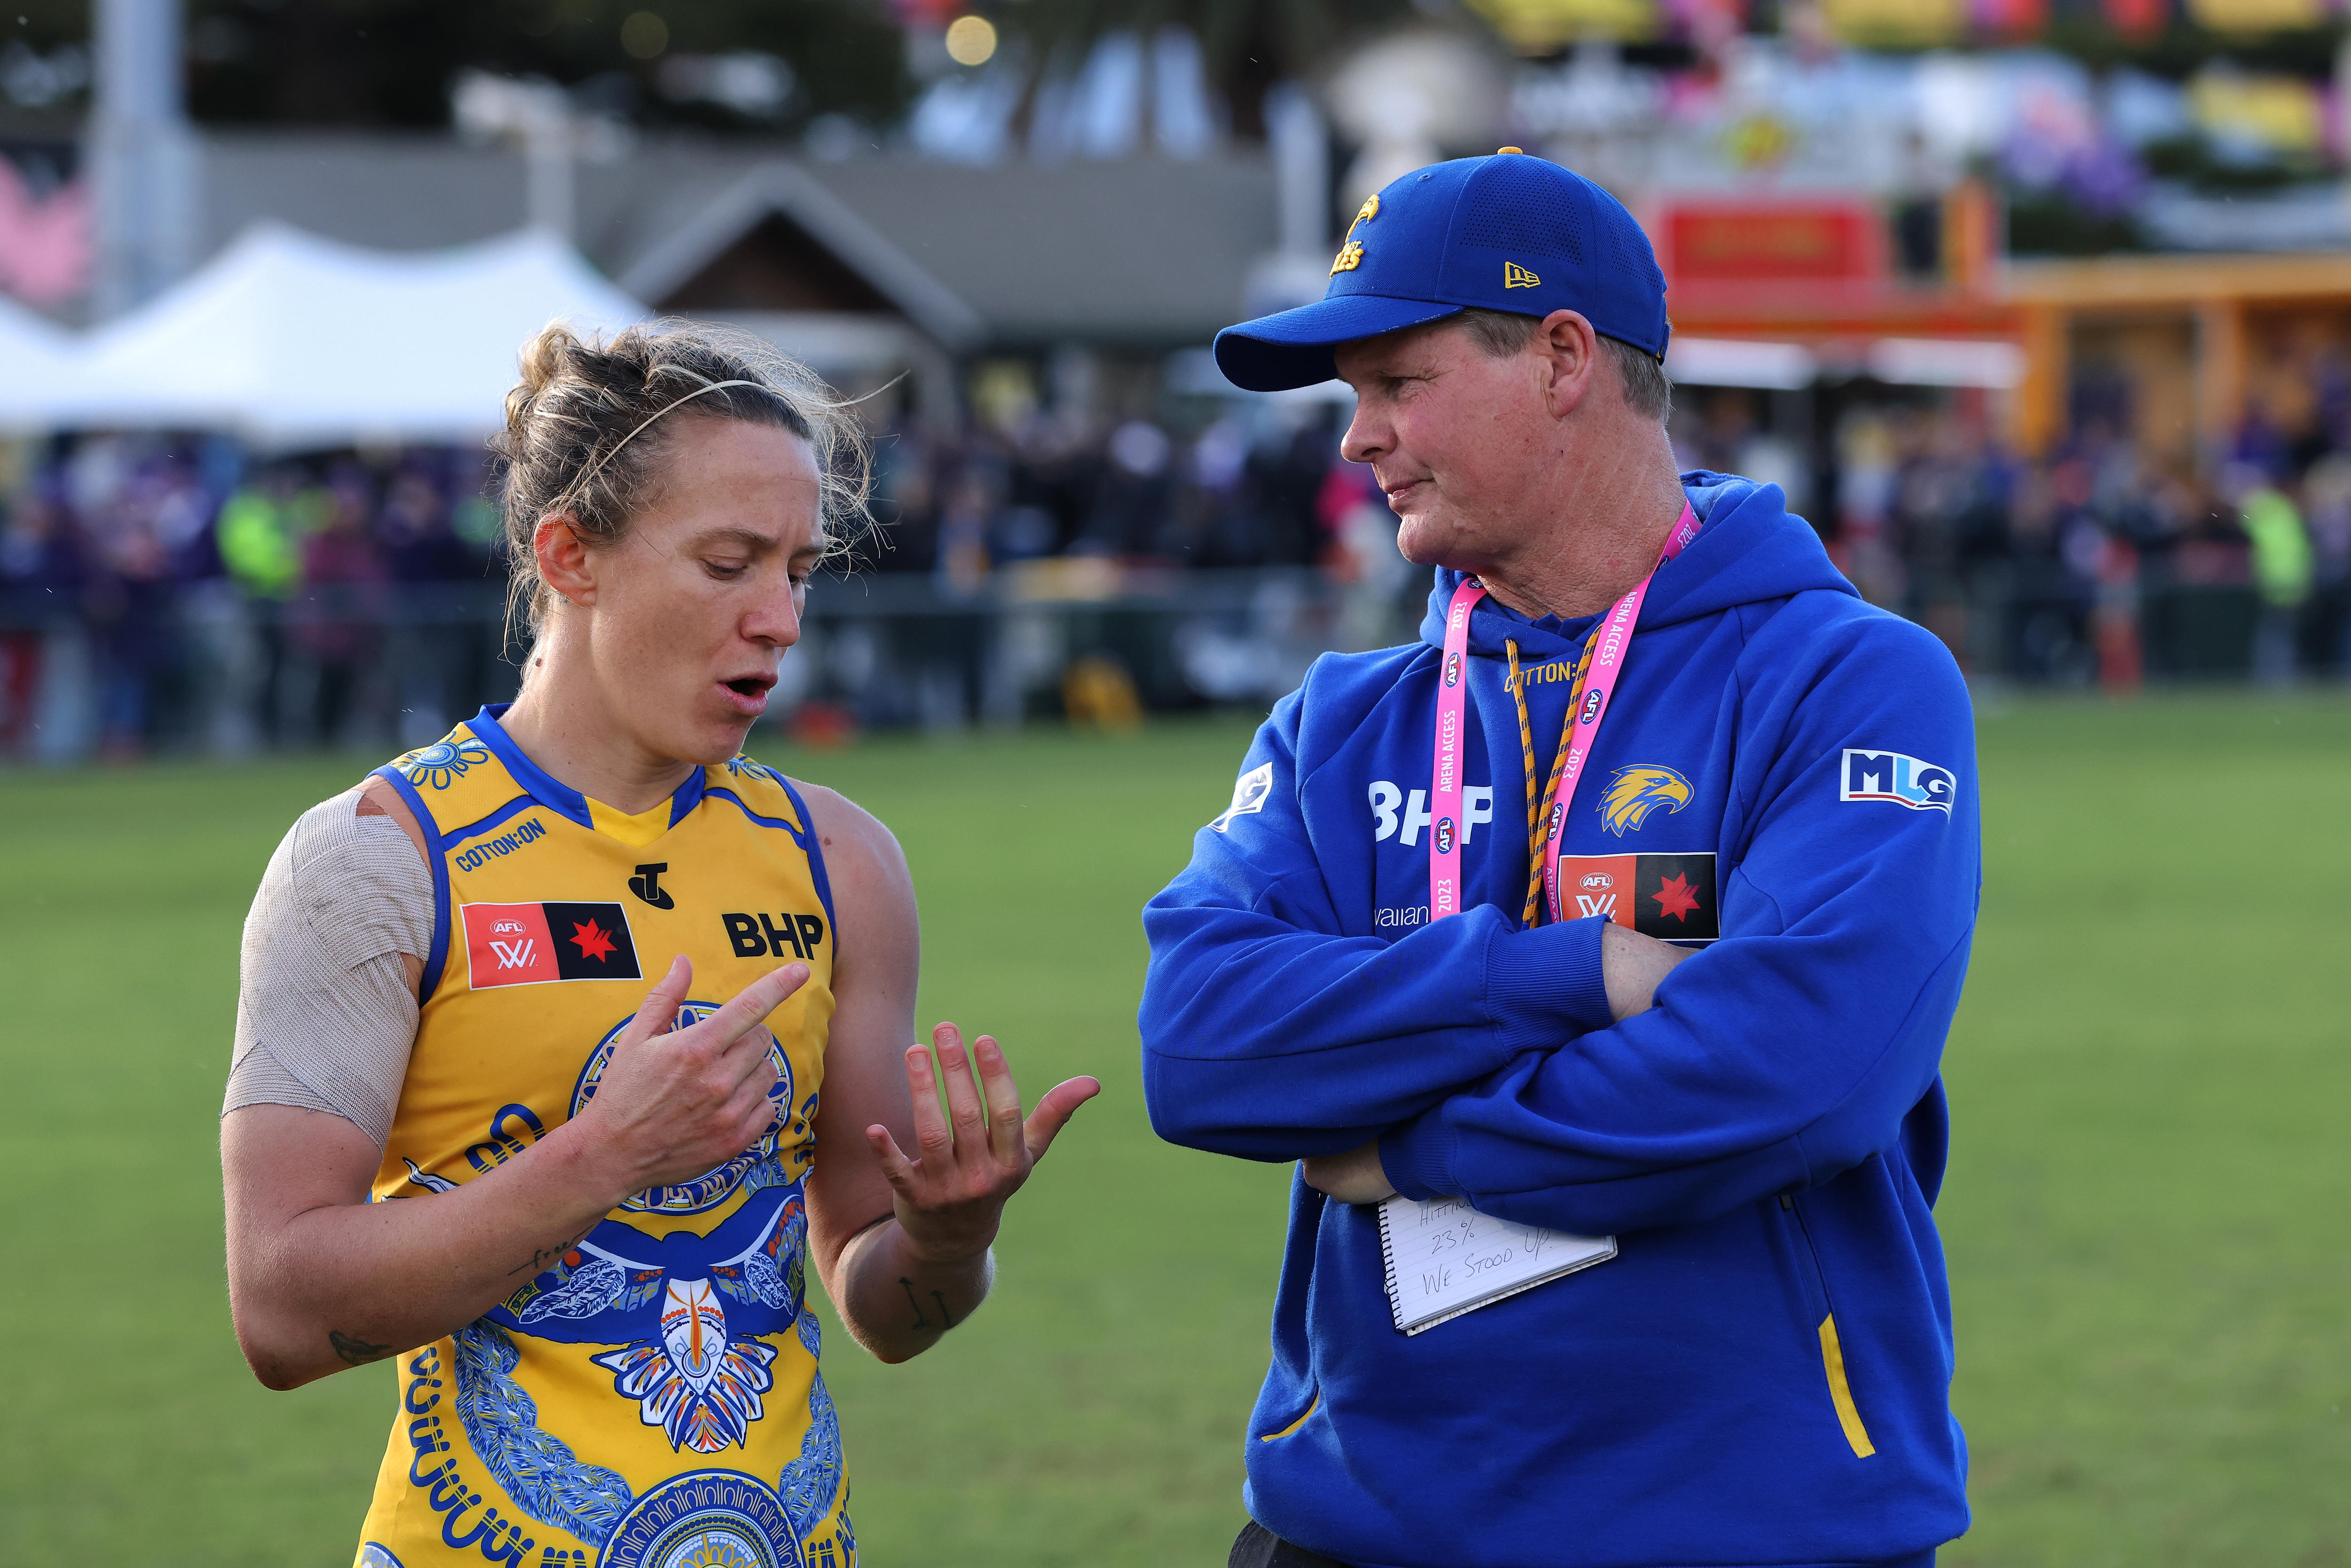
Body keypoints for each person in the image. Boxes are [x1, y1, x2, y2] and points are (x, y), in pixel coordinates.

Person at [1140, 152, 1978, 1568]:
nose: (1357, 439)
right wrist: (1576, 972)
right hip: (1361, 1532)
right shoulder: (1342, 720)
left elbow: (1800, 1070)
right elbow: (1201, 1045)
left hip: (1746, 1532)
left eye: (1397, 383)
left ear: (1564, 359)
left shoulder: (1851, 680)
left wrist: (1409, 1144)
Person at [221, 322, 1099, 1568]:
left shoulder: (839, 861)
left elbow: (882, 1300)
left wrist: (951, 1244)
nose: (780, 620)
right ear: (571, 556)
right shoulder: (378, 861)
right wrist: (607, 1154)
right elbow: (279, 1312)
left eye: (799, 570)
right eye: (730, 564)